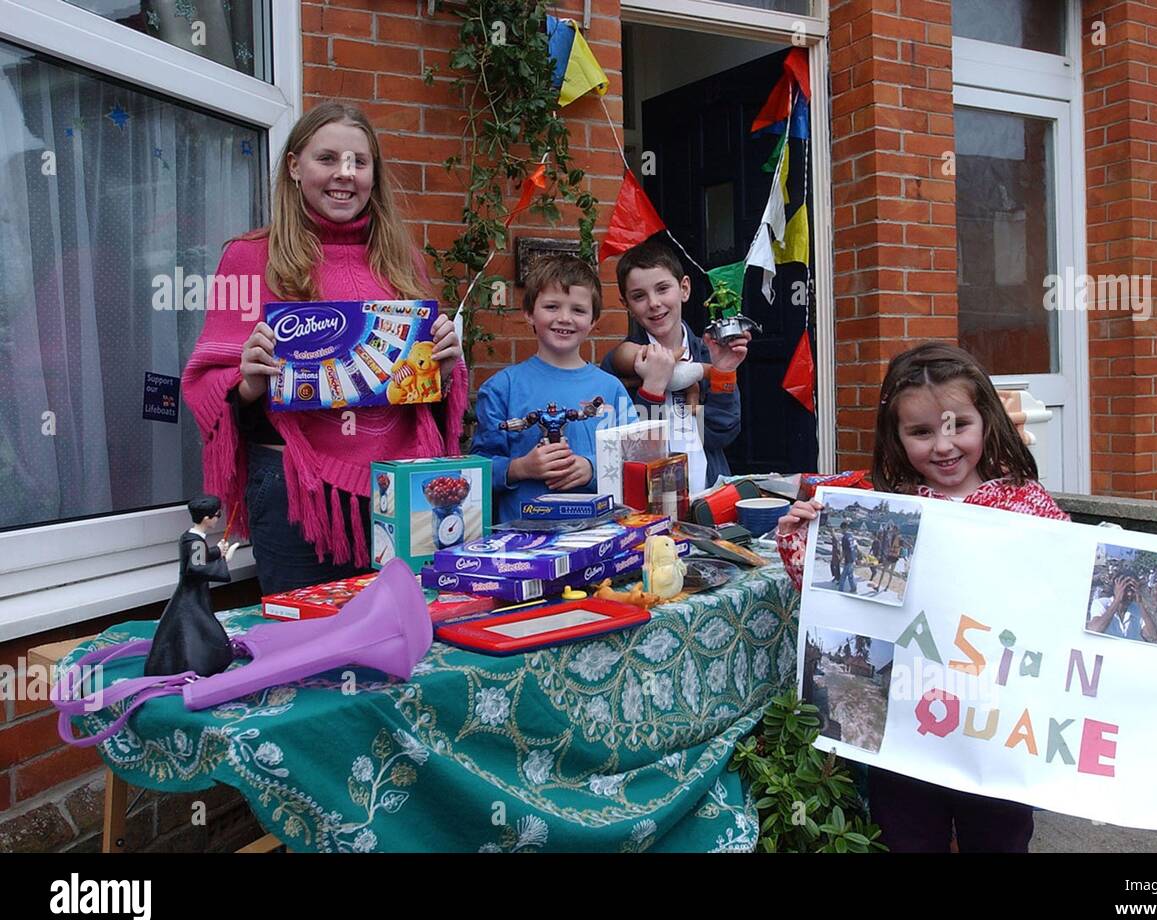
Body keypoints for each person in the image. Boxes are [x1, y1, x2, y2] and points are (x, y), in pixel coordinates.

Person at [773, 342, 1157, 853]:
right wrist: (802, 539)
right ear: (895, 436)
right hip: (909, 734)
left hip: (1001, 735)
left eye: (958, 424)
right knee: (908, 839)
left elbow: (1077, 589)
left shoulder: (1026, 502)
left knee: (1001, 842)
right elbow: (840, 601)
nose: (943, 445)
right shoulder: (888, 508)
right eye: (920, 431)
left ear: (985, 420)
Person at [182, 103, 466, 595]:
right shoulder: (248, 256)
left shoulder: (404, 260)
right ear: (294, 166)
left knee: (406, 645)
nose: (345, 174)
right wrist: (247, 380)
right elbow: (208, 381)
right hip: (298, 495)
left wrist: (445, 361)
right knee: (308, 654)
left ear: (374, 176)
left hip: (402, 491)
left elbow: (425, 385)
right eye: (328, 158)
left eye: (360, 161)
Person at [471, 255, 635, 523]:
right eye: (551, 306)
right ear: (529, 314)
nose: (564, 318)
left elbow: (636, 457)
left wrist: (592, 468)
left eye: (578, 310)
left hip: (599, 537)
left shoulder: (610, 388)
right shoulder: (502, 388)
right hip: (524, 540)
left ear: (594, 321)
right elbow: (477, 470)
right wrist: (521, 467)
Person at [599, 241, 749, 495]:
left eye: (662, 288)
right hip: (648, 504)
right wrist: (652, 388)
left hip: (707, 498)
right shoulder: (620, 364)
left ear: (684, 288)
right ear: (627, 305)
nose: (654, 303)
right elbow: (632, 450)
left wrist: (722, 371)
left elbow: (719, 433)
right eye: (639, 296)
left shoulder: (706, 352)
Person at [144, 495, 240, 677]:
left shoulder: (190, 537)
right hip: (191, 596)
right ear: (206, 518)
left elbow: (197, 557)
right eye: (217, 514)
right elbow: (196, 568)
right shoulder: (195, 541)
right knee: (200, 628)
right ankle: (198, 665)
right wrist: (224, 561)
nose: (218, 518)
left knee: (191, 628)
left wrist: (216, 551)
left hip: (192, 594)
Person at [1087, 573, 1157, 642]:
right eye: (1126, 590)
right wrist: (1117, 600)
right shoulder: (1101, 604)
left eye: (1132, 591)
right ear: (1116, 589)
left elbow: (1153, 636)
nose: (1129, 594)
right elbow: (1094, 630)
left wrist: (1140, 602)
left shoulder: (1137, 609)